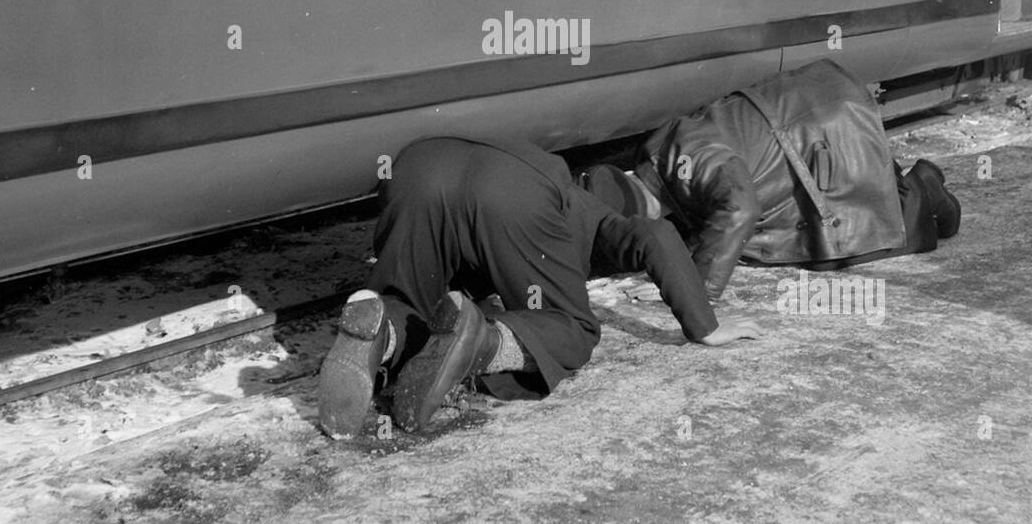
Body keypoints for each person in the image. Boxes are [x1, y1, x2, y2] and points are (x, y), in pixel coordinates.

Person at [318, 135, 756, 437]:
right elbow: (656, 236)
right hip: (508, 191)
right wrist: (704, 324)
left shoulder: (571, 194)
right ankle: (482, 342)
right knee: (572, 329)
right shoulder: (600, 219)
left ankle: (380, 331)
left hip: (418, 165)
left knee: (407, 299)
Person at [578, 59, 961, 301]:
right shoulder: (659, 156)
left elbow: (739, 209)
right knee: (795, 242)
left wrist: (694, 288)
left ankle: (926, 187)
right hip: (804, 130)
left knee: (854, 242)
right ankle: (905, 186)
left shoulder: (689, 161)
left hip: (823, 125)